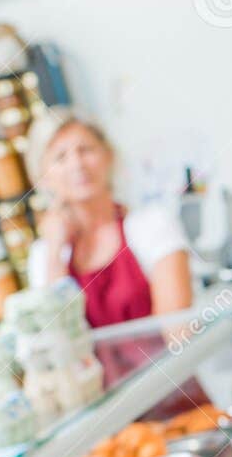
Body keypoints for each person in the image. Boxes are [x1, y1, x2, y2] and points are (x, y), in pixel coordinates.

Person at [26, 109, 192, 329]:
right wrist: (54, 253)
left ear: (108, 155)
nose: (77, 164)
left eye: (85, 150)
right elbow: (55, 340)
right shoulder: (44, 256)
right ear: (43, 178)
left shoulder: (152, 226)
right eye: (60, 157)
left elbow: (178, 332)